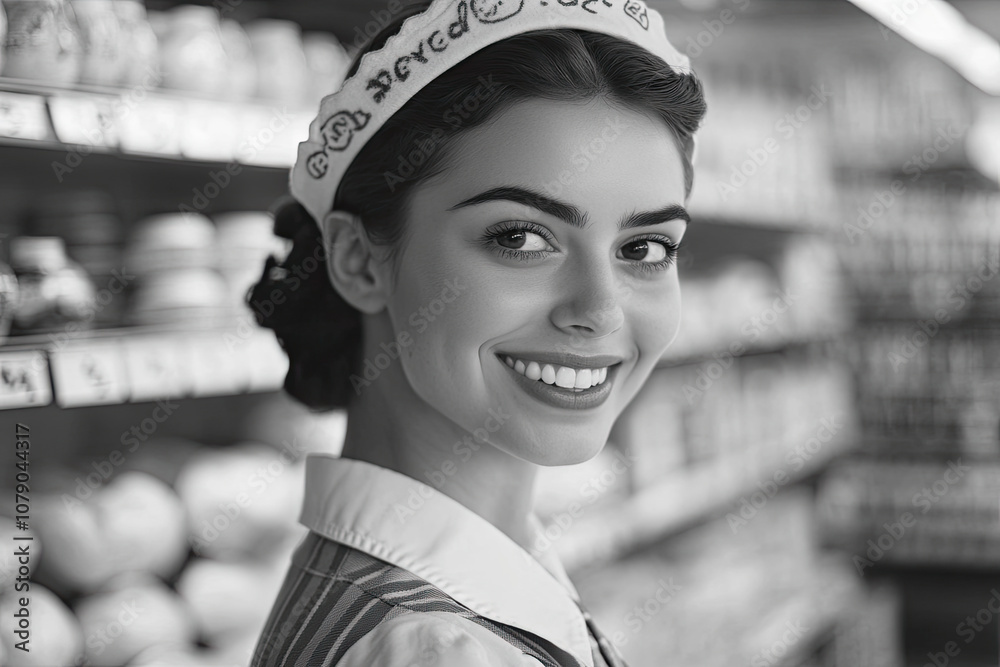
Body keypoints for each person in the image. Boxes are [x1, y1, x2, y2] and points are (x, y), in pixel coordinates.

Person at [249, 0, 706, 664]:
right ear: (357, 259)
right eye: (520, 238)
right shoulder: (438, 649)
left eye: (645, 249)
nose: (601, 310)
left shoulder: (402, 594)